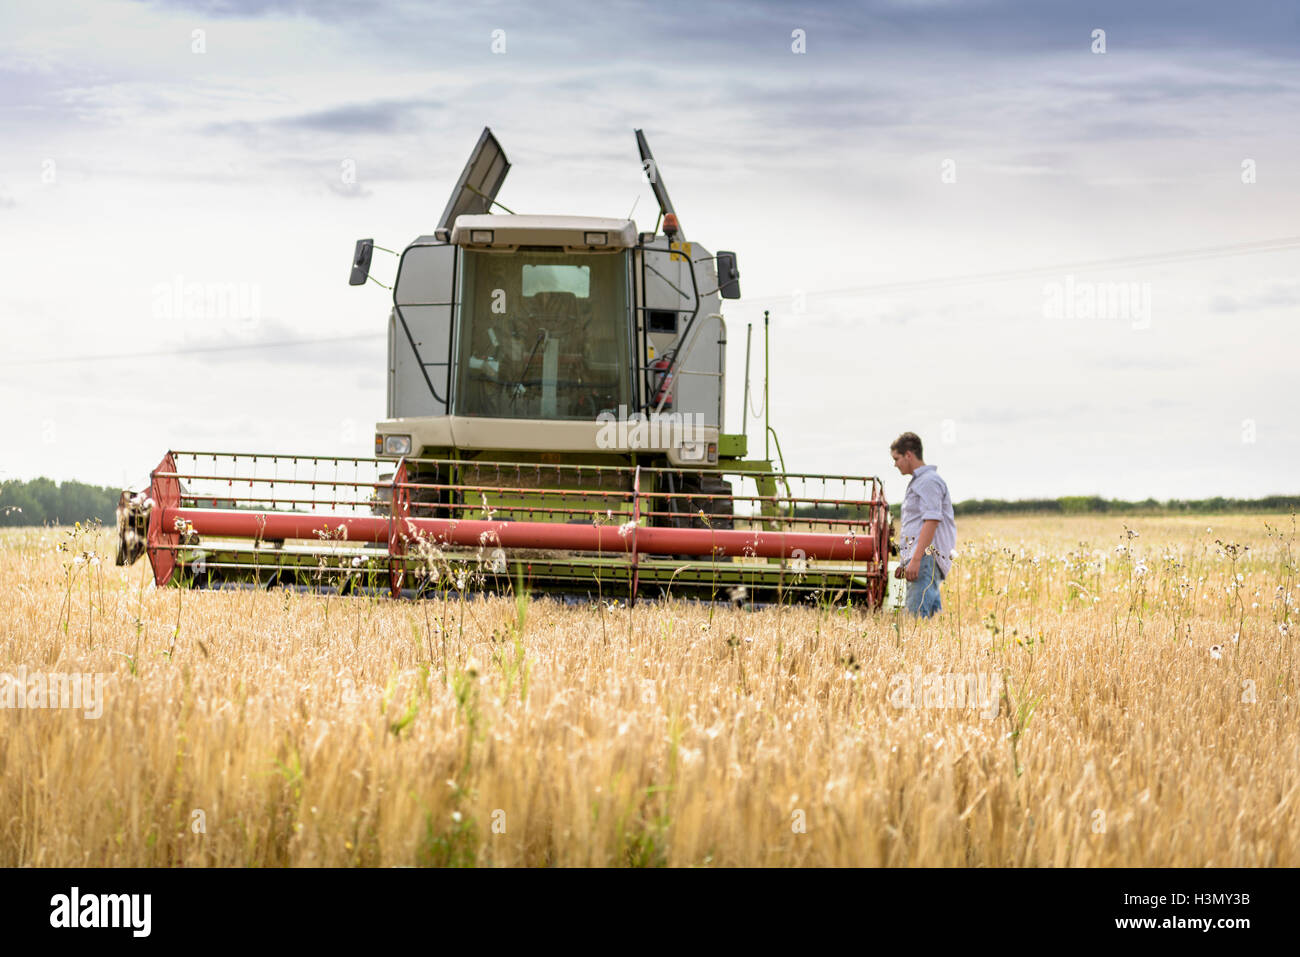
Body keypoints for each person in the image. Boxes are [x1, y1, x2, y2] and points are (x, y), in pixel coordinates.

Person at [890, 432, 956, 617]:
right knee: (931, 625)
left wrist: (917, 560)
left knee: (914, 621)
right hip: (924, 558)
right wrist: (906, 562)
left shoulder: (928, 482)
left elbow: (932, 521)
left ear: (908, 455)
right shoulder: (922, 481)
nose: (895, 464)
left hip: (926, 559)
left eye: (897, 458)